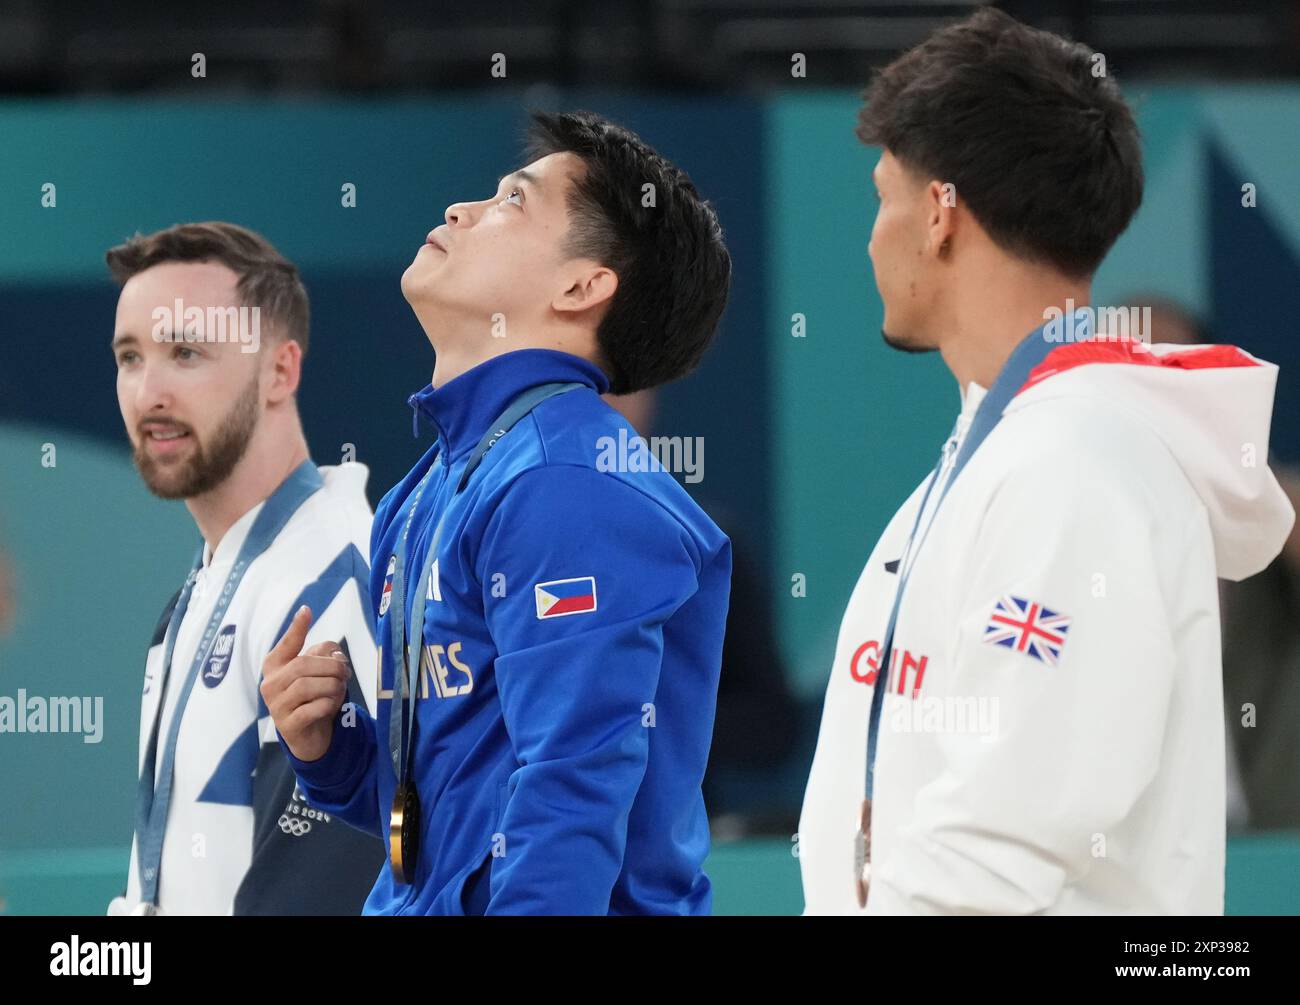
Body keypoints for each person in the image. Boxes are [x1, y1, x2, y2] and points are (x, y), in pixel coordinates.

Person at [798, 8, 1294, 915]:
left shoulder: (1073, 468)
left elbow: (997, 850)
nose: (873, 236)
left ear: (941, 212)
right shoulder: (1010, 454)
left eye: (883, 196)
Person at [261, 111, 734, 914]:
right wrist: (334, 753)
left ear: (582, 286)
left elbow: (570, 793)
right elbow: (448, 807)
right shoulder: (427, 491)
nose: (460, 210)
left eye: (512, 201)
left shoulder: (570, 485)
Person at [106, 222, 385, 915]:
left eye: (186, 352)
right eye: (131, 356)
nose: (150, 393)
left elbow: (323, 891)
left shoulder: (325, 575)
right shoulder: (210, 583)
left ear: (280, 371)